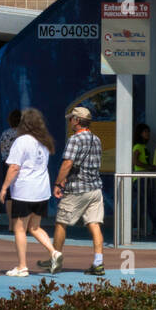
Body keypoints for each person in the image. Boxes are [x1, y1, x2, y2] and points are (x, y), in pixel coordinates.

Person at [42, 106, 106, 275]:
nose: (70, 121)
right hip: (95, 189)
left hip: (77, 188)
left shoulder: (74, 139)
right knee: (94, 223)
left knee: (61, 222)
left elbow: (68, 163)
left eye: (71, 118)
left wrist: (57, 183)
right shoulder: (96, 139)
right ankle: (98, 262)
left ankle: (55, 260)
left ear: (77, 121)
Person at [0, 108, 61, 277]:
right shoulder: (44, 141)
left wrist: (4, 188)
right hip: (41, 190)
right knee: (35, 227)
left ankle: (22, 266)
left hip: (24, 190)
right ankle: (54, 252)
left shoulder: (22, 141)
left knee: (20, 229)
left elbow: (14, 167)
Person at [131, 123, 156, 235]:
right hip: (140, 178)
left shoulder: (143, 146)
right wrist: (150, 167)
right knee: (145, 203)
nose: (148, 134)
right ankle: (155, 227)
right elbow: (135, 161)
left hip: (144, 178)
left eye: (148, 132)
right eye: (146, 132)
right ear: (140, 133)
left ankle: (139, 227)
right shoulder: (138, 146)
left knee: (143, 203)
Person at [0, 109, 22, 225]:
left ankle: (11, 223)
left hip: (7, 164)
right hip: (21, 166)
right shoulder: (24, 135)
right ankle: (21, 223)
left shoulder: (5, 133)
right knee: (22, 194)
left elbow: (2, 149)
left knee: (10, 195)